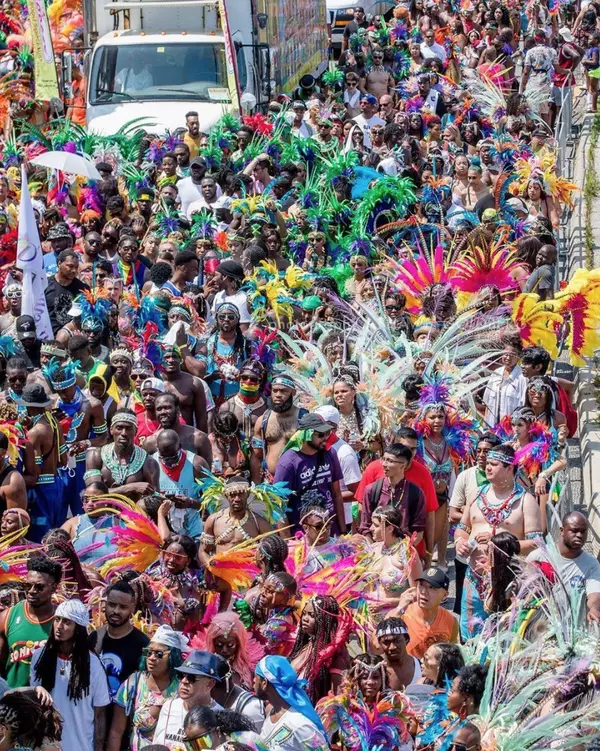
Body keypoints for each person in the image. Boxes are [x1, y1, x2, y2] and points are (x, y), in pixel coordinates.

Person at [31, 598, 111, 751]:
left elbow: (99, 715)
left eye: (67, 622)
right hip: (46, 746)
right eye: (57, 620)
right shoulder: (39, 657)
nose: (59, 626)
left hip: (80, 746)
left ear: (79, 628)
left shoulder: (93, 666)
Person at [107, 625, 186, 751]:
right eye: (148, 652)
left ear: (173, 657)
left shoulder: (182, 688)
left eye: (159, 654)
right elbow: (116, 732)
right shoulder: (133, 684)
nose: (152, 658)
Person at [273, 412, 346, 533]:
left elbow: (337, 494)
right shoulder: (288, 463)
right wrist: (288, 544)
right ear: (307, 435)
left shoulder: (330, 453)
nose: (325, 438)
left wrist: (343, 531)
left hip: (331, 531)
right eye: (321, 435)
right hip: (303, 535)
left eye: (328, 433)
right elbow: (280, 507)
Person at [527, 511, 600, 623]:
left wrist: (594, 608)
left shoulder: (591, 564)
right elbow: (524, 594)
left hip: (573, 632)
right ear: (562, 531)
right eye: (574, 531)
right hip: (540, 628)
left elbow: (594, 593)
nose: (579, 535)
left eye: (583, 531)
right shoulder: (539, 556)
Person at [0, 554, 61, 687]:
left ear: (54, 588)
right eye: (27, 586)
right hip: (14, 701)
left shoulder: (62, 621)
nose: (32, 591)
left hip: (51, 702)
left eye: (39, 587)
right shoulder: (7, 617)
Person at [89, 580, 150, 699]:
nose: (116, 611)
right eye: (112, 604)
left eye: (123, 607)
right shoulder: (94, 638)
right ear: (105, 604)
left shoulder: (142, 644)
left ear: (132, 608)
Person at [153, 650, 225, 750]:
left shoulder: (220, 715)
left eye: (192, 677)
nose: (184, 681)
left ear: (210, 684)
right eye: (181, 675)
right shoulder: (169, 706)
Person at [255, 655, 329, 751]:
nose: (253, 681)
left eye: (255, 677)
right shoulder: (271, 714)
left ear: (264, 683)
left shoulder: (300, 724)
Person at [359, 443, 427, 546]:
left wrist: (403, 553)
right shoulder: (372, 490)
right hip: (376, 552)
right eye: (384, 459)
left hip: (404, 553)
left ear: (403, 465)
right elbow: (365, 527)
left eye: (389, 461)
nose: (384, 464)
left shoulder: (416, 493)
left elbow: (418, 531)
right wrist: (374, 550)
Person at [85, 408, 159, 498]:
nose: (123, 433)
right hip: (102, 510)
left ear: (136, 431)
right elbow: (93, 494)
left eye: (128, 429)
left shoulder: (148, 462)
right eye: (119, 428)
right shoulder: (95, 456)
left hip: (134, 510)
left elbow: (155, 498)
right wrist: (131, 487)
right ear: (111, 430)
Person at [199, 476, 271, 562]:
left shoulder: (259, 522)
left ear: (247, 494)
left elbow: (270, 552)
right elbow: (203, 551)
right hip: (220, 572)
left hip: (249, 573)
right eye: (232, 495)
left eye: (241, 494)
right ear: (226, 495)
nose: (237, 499)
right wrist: (210, 565)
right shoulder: (214, 520)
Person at [393, 567, 459, 658]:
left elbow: (454, 654)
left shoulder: (451, 622)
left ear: (444, 595)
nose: (423, 592)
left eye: (432, 587)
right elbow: (377, 645)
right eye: (421, 585)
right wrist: (399, 610)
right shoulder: (402, 615)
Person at [250, 376, 305, 484]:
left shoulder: (304, 418)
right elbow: (256, 456)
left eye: (283, 391)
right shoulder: (263, 421)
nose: (278, 395)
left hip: (299, 481)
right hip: (271, 483)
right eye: (275, 390)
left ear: (293, 392)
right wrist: (256, 485)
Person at [143, 393, 212, 465]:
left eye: (167, 407)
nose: (163, 412)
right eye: (159, 409)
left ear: (178, 410)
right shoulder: (150, 442)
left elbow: (207, 473)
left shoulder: (198, 438)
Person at [482, 339, 527, 426]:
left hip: (511, 431)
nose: (508, 358)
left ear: (518, 356)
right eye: (506, 354)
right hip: (491, 427)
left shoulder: (522, 379)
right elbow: (487, 404)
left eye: (512, 355)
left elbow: (524, 407)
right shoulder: (495, 374)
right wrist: (485, 426)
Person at [375, 617, 422, 690]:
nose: (392, 647)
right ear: (379, 643)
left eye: (397, 641)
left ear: (407, 639)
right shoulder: (374, 671)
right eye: (386, 643)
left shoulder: (422, 667)